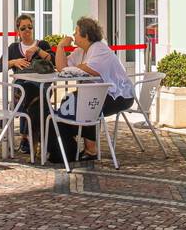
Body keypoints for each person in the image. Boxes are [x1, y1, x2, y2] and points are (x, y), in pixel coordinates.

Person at [50, 17, 134, 164]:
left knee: (85, 103)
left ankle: (90, 149)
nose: (73, 35)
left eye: (76, 32)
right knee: (71, 100)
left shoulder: (99, 49)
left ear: (86, 35)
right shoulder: (81, 51)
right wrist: (60, 47)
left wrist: (76, 68)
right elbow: (62, 68)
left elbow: (90, 69)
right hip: (98, 94)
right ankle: (67, 144)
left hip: (119, 96)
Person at [0, 14, 54, 155]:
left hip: (42, 86)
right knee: (30, 100)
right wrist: (13, 62)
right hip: (22, 87)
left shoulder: (42, 45)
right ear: (18, 31)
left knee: (30, 99)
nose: (27, 30)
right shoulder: (14, 48)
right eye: (23, 28)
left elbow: (54, 62)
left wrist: (38, 50)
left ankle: (16, 121)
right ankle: (29, 138)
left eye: (30, 27)